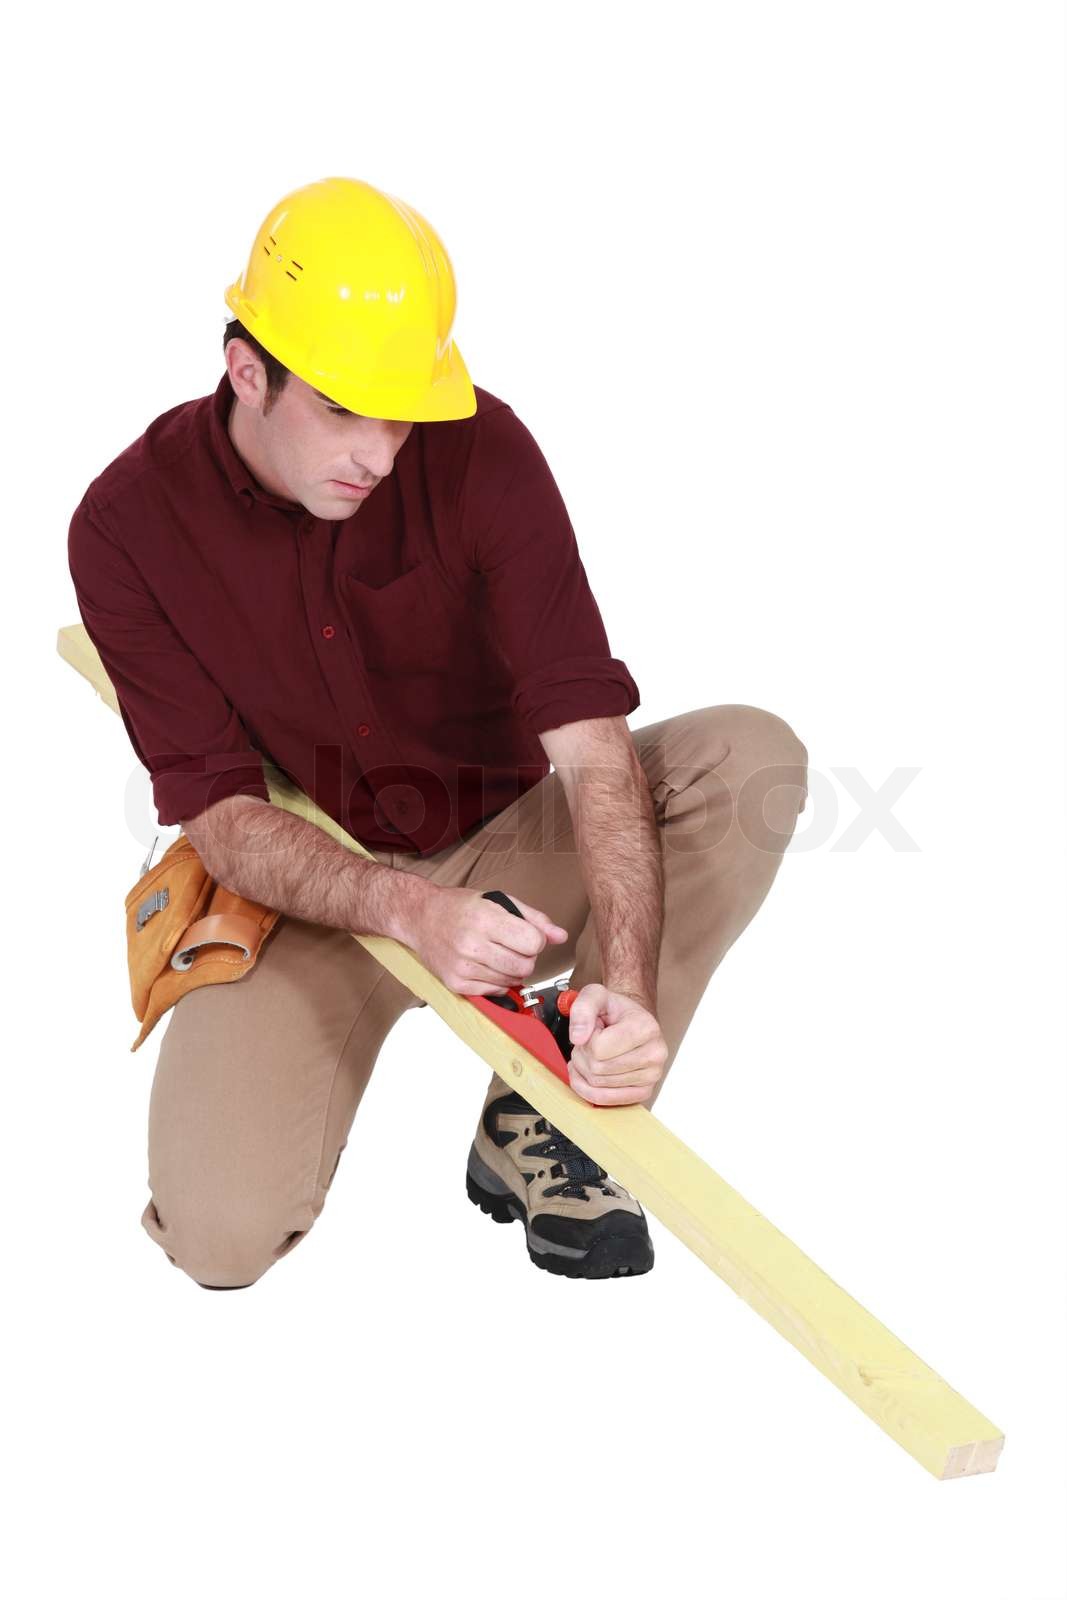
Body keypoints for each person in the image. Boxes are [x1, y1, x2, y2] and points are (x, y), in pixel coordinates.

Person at [67, 175, 808, 1290]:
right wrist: (407, 908)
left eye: (400, 412)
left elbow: (592, 745)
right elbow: (222, 815)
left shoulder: (483, 452)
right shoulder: (125, 529)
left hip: (512, 842)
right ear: (247, 372)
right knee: (217, 1235)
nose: (379, 449)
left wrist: (632, 989)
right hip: (307, 883)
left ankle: (543, 1112)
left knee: (748, 756)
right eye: (343, 411)